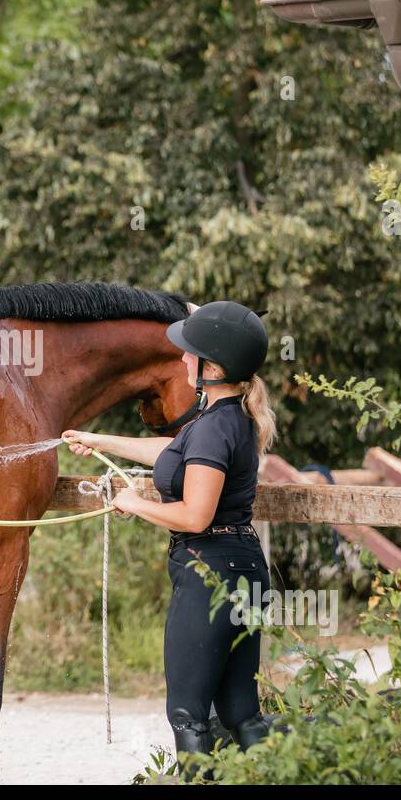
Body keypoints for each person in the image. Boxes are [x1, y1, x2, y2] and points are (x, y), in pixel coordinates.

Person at [62, 301, 276, 774]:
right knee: (243, 712)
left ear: (213, 368)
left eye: (190, 354)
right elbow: (173, 451)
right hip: (245, 569)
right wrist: (102, 441)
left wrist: (134, 504)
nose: (181, 359)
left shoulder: (211, 428)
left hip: (208, 575)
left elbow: (195, 515)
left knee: (187, 714)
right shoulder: (229, 420)